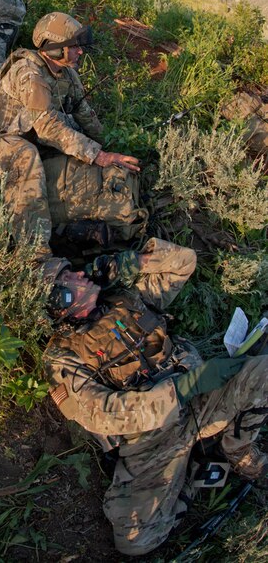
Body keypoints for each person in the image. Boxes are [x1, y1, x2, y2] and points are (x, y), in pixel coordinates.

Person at [43, 237, 268, 558]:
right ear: (61, 299)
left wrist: (131, 262)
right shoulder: (63, 357)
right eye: (71, 277)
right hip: (155, 437)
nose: (81, 275)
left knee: (263, 370)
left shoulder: (126, 299)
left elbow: (184, 262)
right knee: (134, 540)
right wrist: (181, 389)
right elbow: (102, 414)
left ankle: (237, 449)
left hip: (203, 400)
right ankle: (192, 473)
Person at [0, 11, 142, 313]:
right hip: (2, 140)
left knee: (79, 170)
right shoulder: (29, 74)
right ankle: (34, 259)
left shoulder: (66, 73)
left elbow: (83, 113)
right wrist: (98, 154)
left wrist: (110, 150)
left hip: (36, 140)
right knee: (26, 157)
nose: (80, 51)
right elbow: (47, 127)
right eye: (74, 45)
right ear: (54, 47)